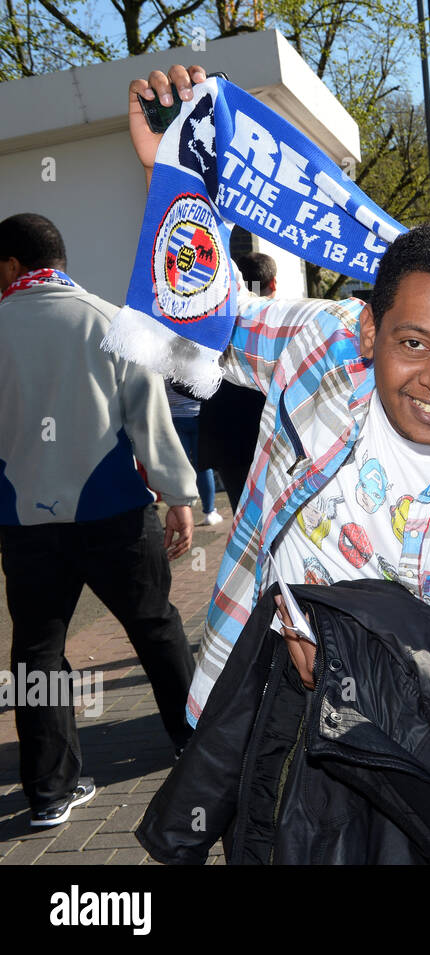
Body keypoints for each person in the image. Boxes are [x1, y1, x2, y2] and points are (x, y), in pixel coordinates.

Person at [127, 68, 430, 859]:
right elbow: (210, 311)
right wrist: (168, 171)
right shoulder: (318, 345)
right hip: (267, 726)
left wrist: (373, 675)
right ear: (370, 329)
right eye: (414, 342)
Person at [0, 212, 200, 827]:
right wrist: (180, 495)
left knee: (37, 654)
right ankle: (196, 746)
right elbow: (149, 421)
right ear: (59, 259)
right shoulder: (112, 321)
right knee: (157, 628)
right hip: (114, 509)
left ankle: (50, 794)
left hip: (26, 519)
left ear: (10, 265)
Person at [198, 252, 275, 512]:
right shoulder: (279, 324)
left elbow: (183, 380)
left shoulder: (214, 322)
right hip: (270, 440)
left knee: (244, 520)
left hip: (227, 441)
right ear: (273, 284)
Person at [166, 380, 220, 526]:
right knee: (203, 466)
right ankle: (209, 511)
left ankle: (182, 510)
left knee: (180, 467)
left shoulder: (164, 361)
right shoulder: (197, 358)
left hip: (175, 417)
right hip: (199, 415)